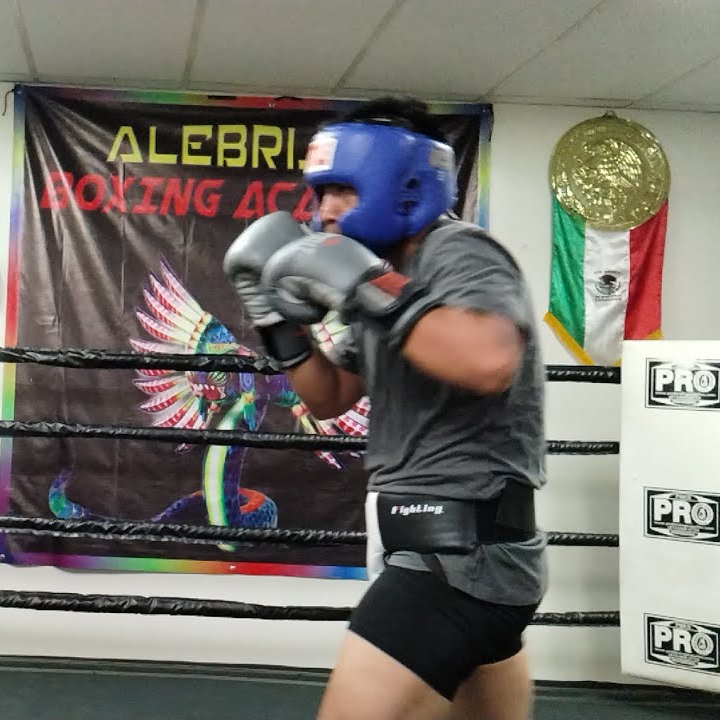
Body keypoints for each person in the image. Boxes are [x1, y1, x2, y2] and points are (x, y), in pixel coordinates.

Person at [223, 96, 546, 720]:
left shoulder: (457, 252)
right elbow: (329, 396)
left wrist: (371, 288)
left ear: (403, 183)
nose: (322, 212)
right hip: (445, 551)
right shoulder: (380, 278)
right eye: (319, 194)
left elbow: (488, 359)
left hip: (457, 556)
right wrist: (272, 322)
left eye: (341, 189)